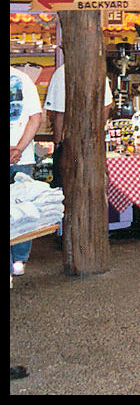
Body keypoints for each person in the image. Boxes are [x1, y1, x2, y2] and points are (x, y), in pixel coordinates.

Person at [44, 62, 114, 187]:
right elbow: (106, 106)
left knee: (64, 189)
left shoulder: (62, 72)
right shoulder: (96, 69)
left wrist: (58, 143)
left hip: (69, 145)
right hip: (92, 143)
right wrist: (97, 131)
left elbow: (59, 114)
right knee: (92, 186)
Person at [10, 66, 43, 277]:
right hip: (22, 156)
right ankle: (19, 259)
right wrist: (19, 149)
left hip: (20, 154)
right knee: (23, 208)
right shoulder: (24, 79)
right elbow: (35, 118)